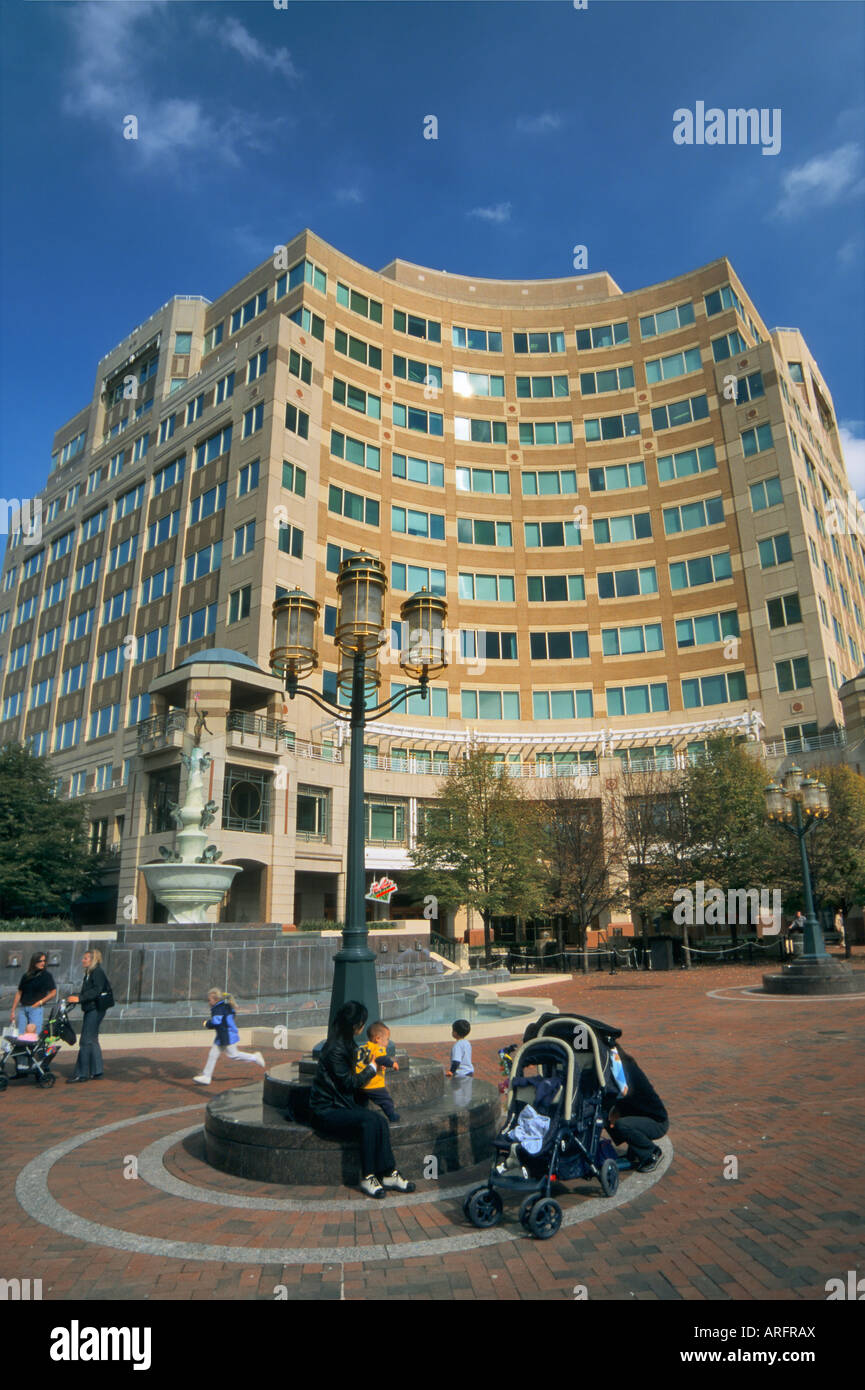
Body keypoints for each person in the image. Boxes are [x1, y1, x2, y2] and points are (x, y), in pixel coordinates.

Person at [309, 1000, 415, 1199]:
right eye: (361, 1023)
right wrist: (373, 1068)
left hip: (341, 1104)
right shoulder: (335, 1049)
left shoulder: (345, 1042)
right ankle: (368, 1177)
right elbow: (349, 1083)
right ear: (354, 1025)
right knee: (369, 1121)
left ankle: (389, 1173)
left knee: (380, 1121)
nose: (363, 1027)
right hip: (326, 1110)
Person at [605, 1047, 668, 1172]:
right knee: (607, 1115)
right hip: (642, 1116)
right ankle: (634, 1152)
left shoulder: (625, 1072)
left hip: (656, 1122)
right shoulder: (622, 1067)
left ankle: (651, 1153)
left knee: (622, 1124)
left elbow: (622, 1094)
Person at [194, 990, 265, 1084]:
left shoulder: (218, 1009)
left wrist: (206, 1023)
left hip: (226, 1035)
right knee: (213, 1054)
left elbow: (216, 1022)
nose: (209, 1002)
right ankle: (206, 1076)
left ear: (215, 1000)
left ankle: (255, 1057)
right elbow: (230, 1016)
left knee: (233, 1055)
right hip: (224, 1034)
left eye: (209, 1000)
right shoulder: (225, 1006)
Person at [66, 949, 111, 1083]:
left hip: (95, 1009)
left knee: (85, 1040)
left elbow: (96, 990)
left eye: (85, 958)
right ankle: (97, 1071)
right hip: (93, 1008)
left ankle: (82, 1073)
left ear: (93, 960)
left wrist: (79, 998)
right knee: (92, 1039)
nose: (82, 960)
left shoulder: (97, 972)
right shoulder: (90, 972)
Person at [357, 1020, 400, 1122]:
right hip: (374, 1084)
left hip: (361, 1083)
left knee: (361, 1102)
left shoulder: (364, 1048)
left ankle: (359, 1115)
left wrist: (380, 1066)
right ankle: (392, 1116)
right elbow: (381, 1059)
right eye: (387, 1039)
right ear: (378, 1039)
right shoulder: (378, 1048)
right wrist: (392, 1063)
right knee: (386, 1100)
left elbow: (367, 1061)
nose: (388, 1042)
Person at [10, 952, 57, 1035]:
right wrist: (13, 1010)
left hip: (36, 1008)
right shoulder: (27, 975)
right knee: (21, 1034)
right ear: (34, 962)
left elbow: (53, 992)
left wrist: (40, 1002)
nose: (43, 963)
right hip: (24, 1007)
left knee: (34, 1035)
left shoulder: (46, 976)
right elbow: (19, 992)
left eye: (44, 961)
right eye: (40, 961)